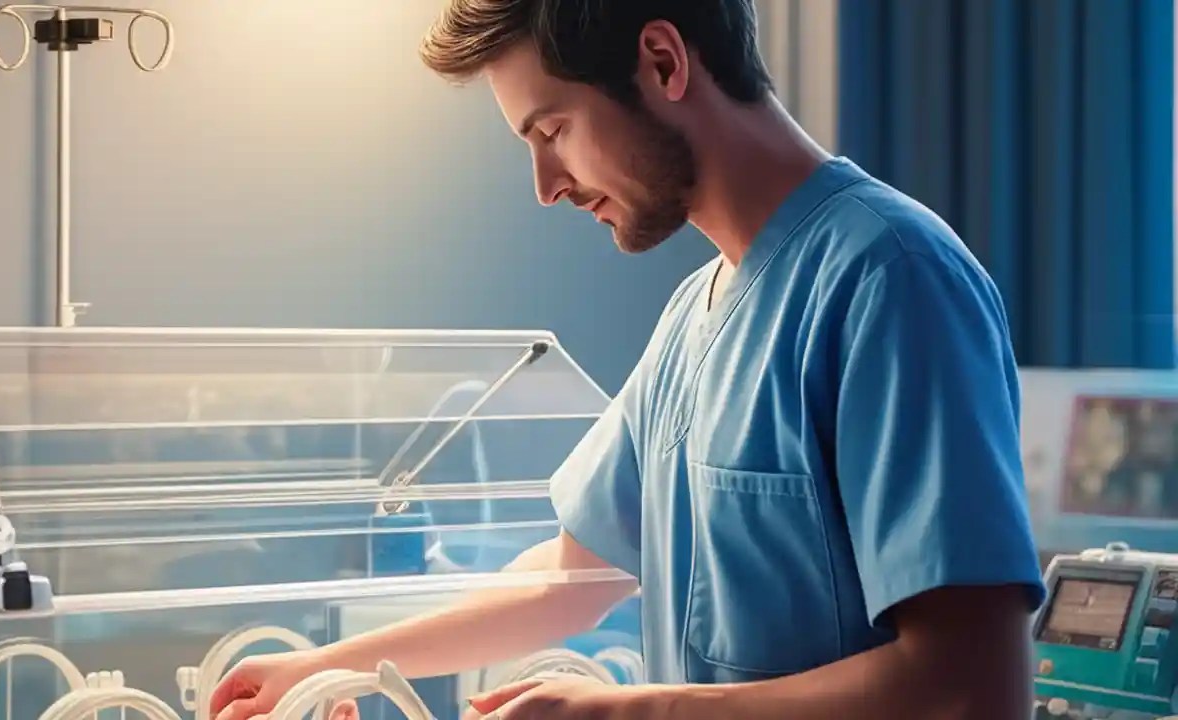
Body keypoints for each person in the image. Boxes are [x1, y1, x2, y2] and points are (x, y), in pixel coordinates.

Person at [210, 1, 1047, 718]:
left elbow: (972, 686)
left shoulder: (890, 278)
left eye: (552, 130)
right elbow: (570, 576)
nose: (545, 184)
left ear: (662, 61)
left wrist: (639, 711)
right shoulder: (695, 317)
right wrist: (318, 669)